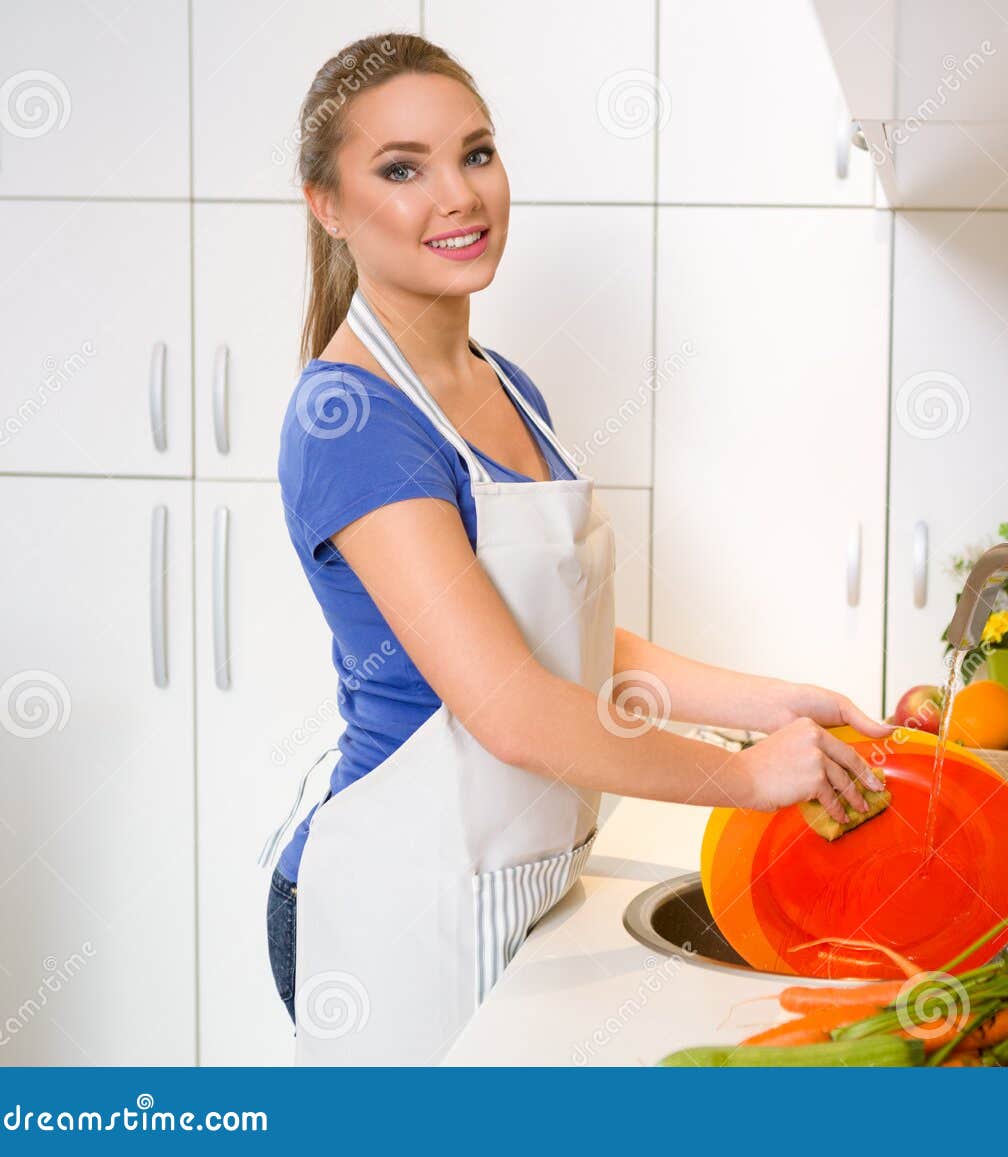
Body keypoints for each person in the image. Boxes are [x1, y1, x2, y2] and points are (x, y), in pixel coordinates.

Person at [267, 32, 891, 1064]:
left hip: (521, 881)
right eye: (400, 169)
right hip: (399, 908)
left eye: (475, 153)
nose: (459, 195)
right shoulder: (350, 418)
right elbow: (511, 706)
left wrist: (765, 702)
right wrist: (745, 779)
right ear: (325, 205)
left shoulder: (505, 385)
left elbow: (568, 642)